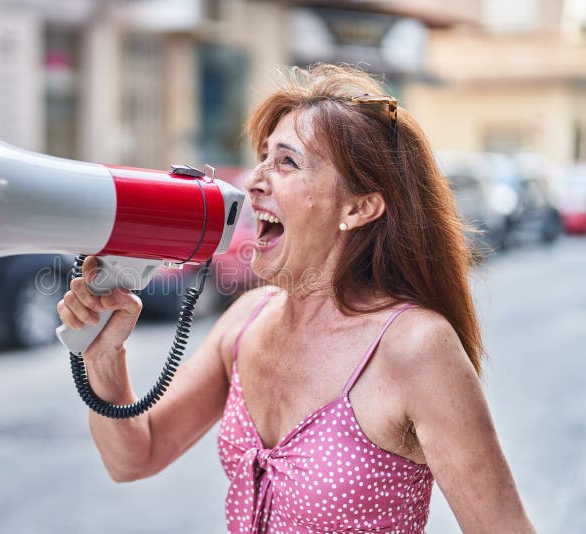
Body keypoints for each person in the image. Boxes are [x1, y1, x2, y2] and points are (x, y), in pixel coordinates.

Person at [57, 64, 535, 533]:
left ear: (359, 207)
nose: (254, 180)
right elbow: (135, 456)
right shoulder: (247, 319)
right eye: (263, 157)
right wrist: (104, 356)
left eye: (287, 162)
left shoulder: (416, 347)